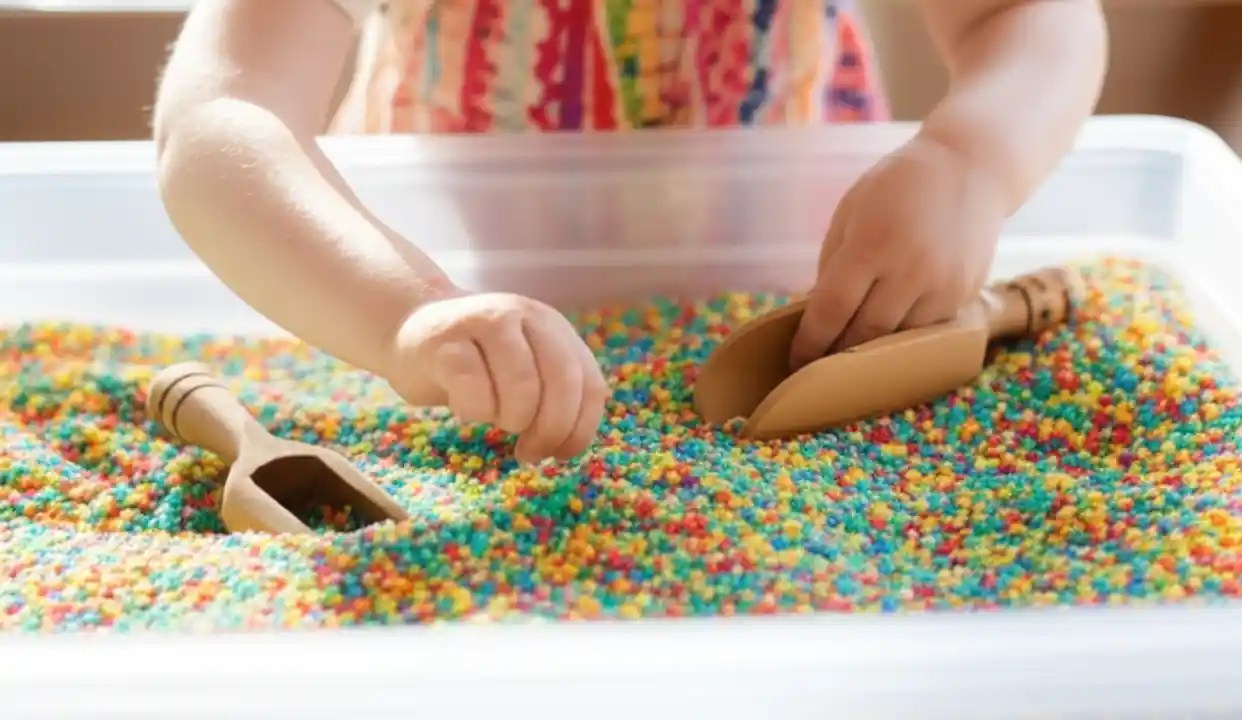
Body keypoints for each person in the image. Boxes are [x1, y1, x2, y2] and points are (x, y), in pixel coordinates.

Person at [153, 0, 1107, 464]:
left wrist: (969, 161)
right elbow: (221, 122)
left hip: (799, 309)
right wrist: (405, 315)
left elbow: (1026, 16)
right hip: (455, 316)